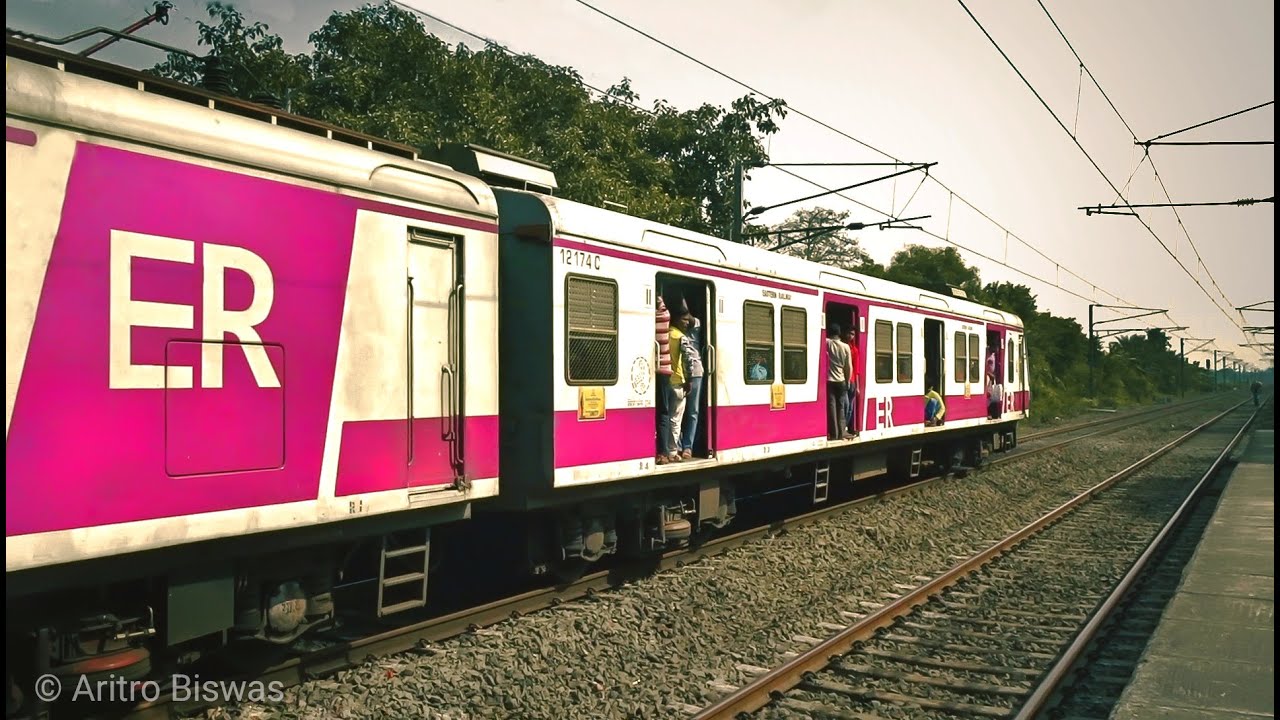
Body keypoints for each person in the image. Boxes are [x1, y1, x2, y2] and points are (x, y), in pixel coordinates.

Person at [677, 306, 705, 460]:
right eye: (683, 319)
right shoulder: (675, 332)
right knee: (678, 411)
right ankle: (678, 446)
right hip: (678, 374)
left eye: (688, 319)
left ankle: (688, 446)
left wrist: (686, 313)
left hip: (695, 373)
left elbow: (695, 321)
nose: (686, 322)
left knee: (692, 411)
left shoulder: (695, 328)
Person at [664, 300, 689, 464]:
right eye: (685, 320)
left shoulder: (665, 333)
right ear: (678, 319)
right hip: (678, 380)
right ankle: (673, 451)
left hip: (666, 380)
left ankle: (665, 449)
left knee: (666, 417)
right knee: (676, 418)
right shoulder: (681, 337)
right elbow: (688, 360)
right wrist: (690, 380)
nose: (687, 323)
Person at [825, 323, 852, 440]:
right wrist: (848, 380)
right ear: (839, 333)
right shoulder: (846, 347)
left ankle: (834, 433)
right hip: (841, 380)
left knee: (832, 407)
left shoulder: (827, 343)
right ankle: (842, 432)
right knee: (841, 407)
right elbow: (849, 366)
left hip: (830, 380)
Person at [655, 296, 674, 463]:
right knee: (664, 411)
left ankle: (662, 451)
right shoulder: (665, 314)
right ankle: (666, 451)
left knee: (662, 411)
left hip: (659, 368)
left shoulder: (658, 316)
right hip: (665, 369)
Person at [842, 327, 860, 436]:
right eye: (849, 333)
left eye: (852, 334)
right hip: (843, 380)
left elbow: (856, 369)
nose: (850, 336)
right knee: (845, 405)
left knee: (849, 407)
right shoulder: (843, 347)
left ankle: (845, 426)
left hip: (852, 381)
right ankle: (842, 428)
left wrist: (857, 386)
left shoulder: (855, 350)